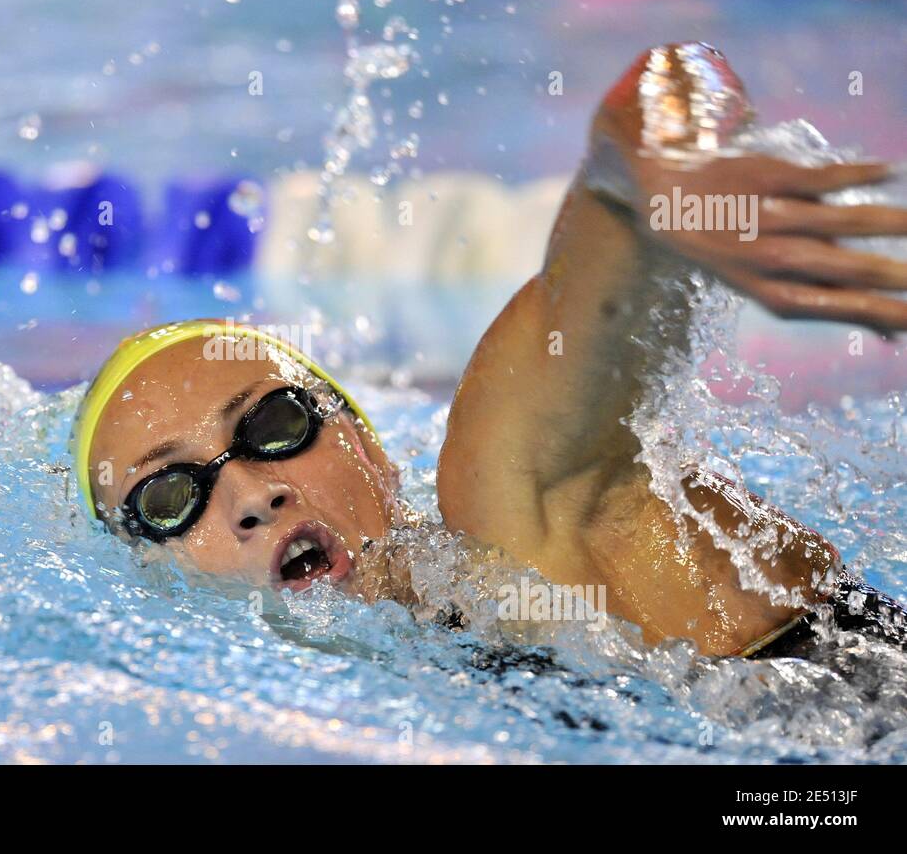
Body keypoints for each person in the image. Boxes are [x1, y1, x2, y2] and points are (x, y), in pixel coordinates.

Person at [70, 42, 907, 658]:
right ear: (148, 580)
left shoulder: (511, 520)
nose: (252, 493)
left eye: (274, 423)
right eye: (171, 494)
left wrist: (671, 168)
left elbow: (631, 139)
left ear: (367, 444)